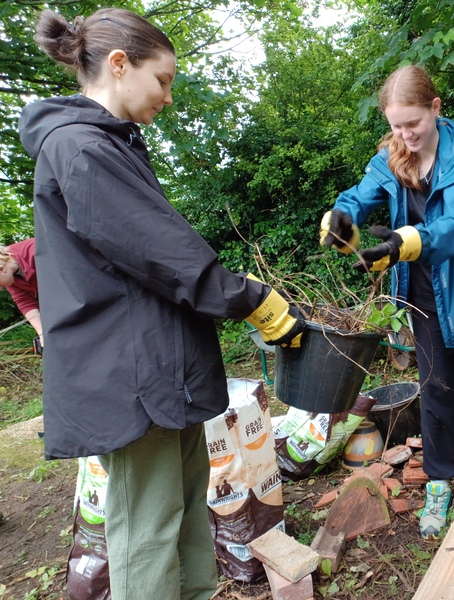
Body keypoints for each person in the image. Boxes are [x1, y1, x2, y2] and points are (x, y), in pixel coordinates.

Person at [18, 8, 304, 600]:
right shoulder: (80, 150)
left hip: (159, 370)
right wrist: (248, 297)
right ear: (119, 65)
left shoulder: (110, 145)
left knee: (181, 511)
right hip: (131, 375)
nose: (168, 97)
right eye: (163, 79)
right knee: (147, 528)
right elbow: (162, 254)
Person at [320, 65, 454, 539]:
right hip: (422, 294)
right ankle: (441, 478)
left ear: (435, 109)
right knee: (437, 383)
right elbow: (358, 198)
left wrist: (403, 242)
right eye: (396, 125)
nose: (405, 134)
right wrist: (341, 219)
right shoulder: (392, 156)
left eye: (413, 123)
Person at [0, 238, 43, 349]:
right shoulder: (11, 279)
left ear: (1, 269)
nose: (0, 288)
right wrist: (42, 333)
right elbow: (24, 302)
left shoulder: (35, 250)